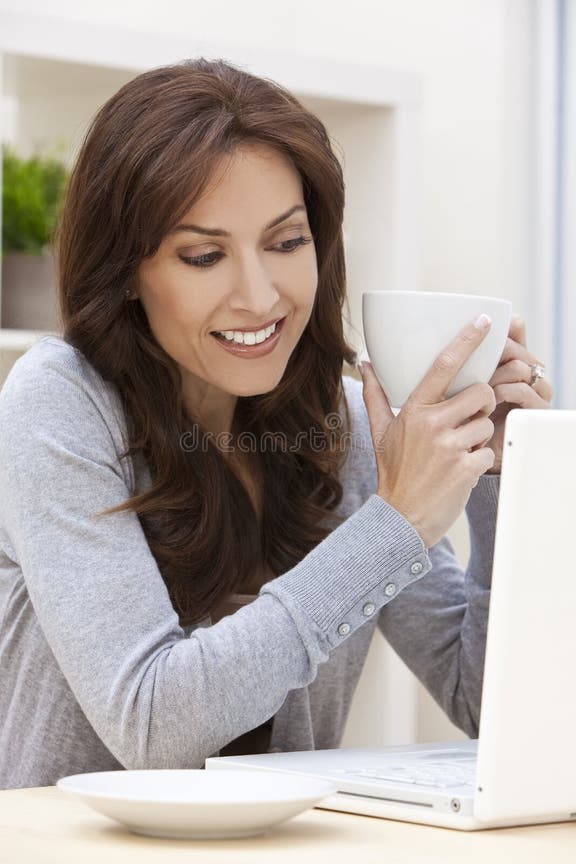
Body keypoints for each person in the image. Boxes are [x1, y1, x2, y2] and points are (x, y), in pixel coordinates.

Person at [0, 59, 553, 790]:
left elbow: (480, 699)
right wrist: (396, 523)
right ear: (128, 270)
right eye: (204, 256)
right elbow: (153, 724)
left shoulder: (348, 425)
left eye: (287, 243)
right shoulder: (61, 401)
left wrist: (494, 475)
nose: (259, 297)